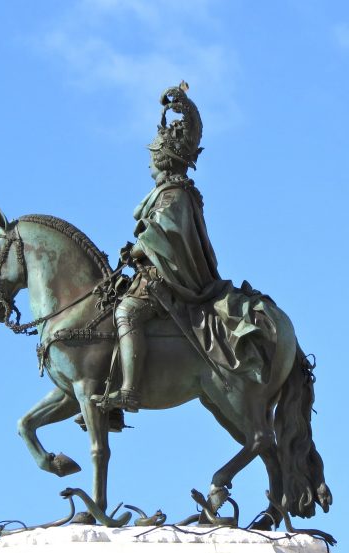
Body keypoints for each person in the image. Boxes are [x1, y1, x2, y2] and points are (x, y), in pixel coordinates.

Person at [91, 82, 221, 412]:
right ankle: (105, 389)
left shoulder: (174, 195)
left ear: (164, 159)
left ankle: (130, 392)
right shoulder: (170, 193)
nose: (149, 162)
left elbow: (164, 235)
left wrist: (138, 250)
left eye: (153, 156)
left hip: (168, 281)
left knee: (127, 311)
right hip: (151, 275)